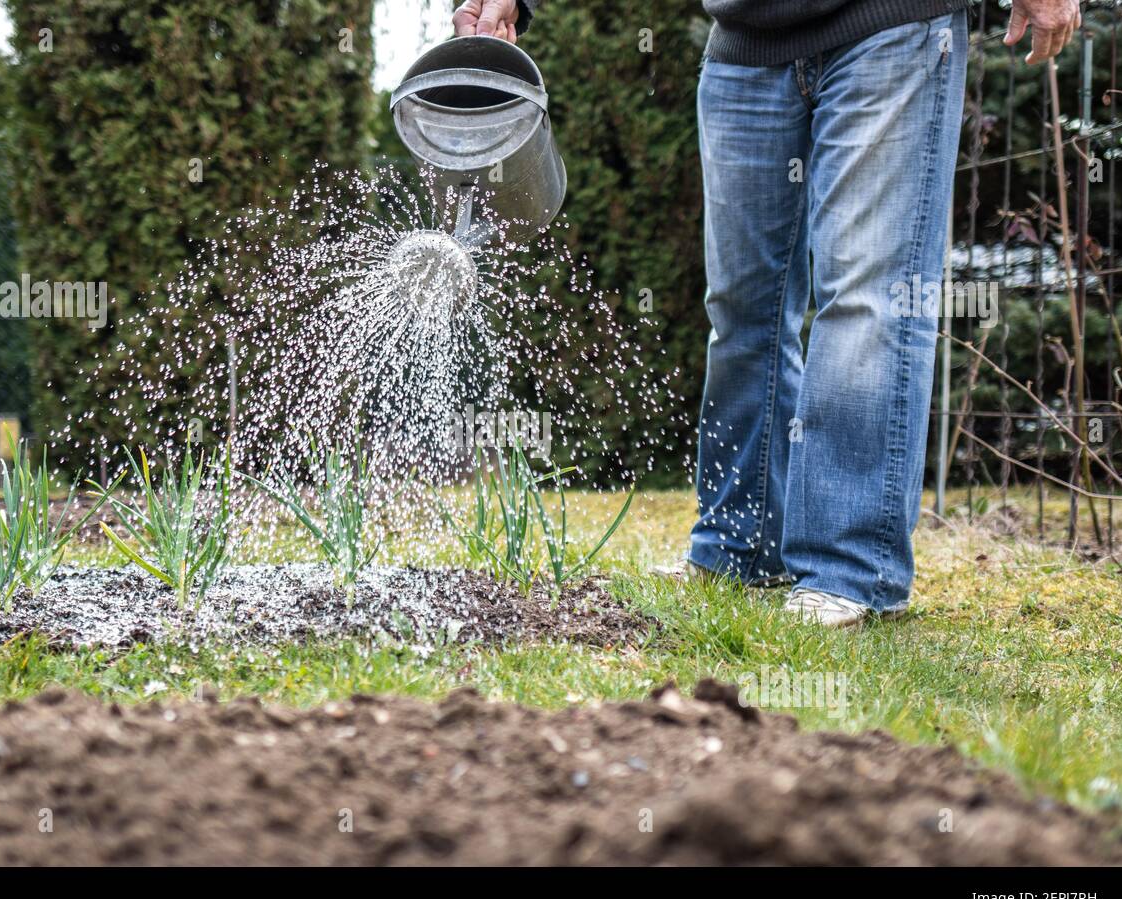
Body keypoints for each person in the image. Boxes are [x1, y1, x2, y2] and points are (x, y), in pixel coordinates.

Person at [454, 0, 1081, 626]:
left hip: (891, 24)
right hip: (747, 42)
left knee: (865, 299)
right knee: (742, 308)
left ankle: (849, 569)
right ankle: (740, 548)